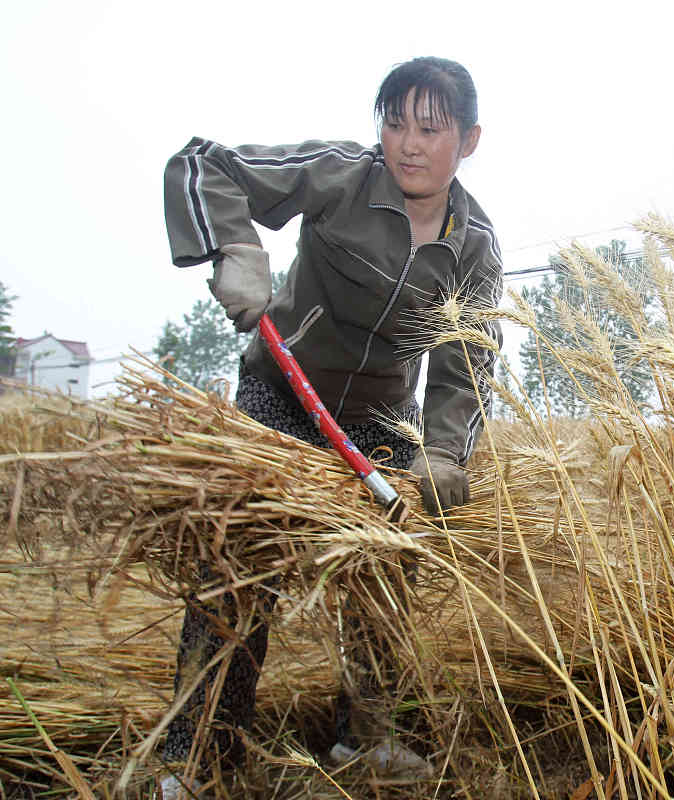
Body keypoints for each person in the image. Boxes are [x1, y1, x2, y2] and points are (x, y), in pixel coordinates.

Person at [156, 56, 502, 797]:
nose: (408, 143)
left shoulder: (474, 245)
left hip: (379, 416)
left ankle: (365, 740)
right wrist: (238, 249)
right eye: (395, 122)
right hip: (285, 389)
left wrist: (444, 453)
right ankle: (197, 757)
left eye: (431, 129)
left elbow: (467, 363)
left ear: (468, 142)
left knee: (386, 563)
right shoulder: (343, 175)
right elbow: (203, 164)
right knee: (239, 562)